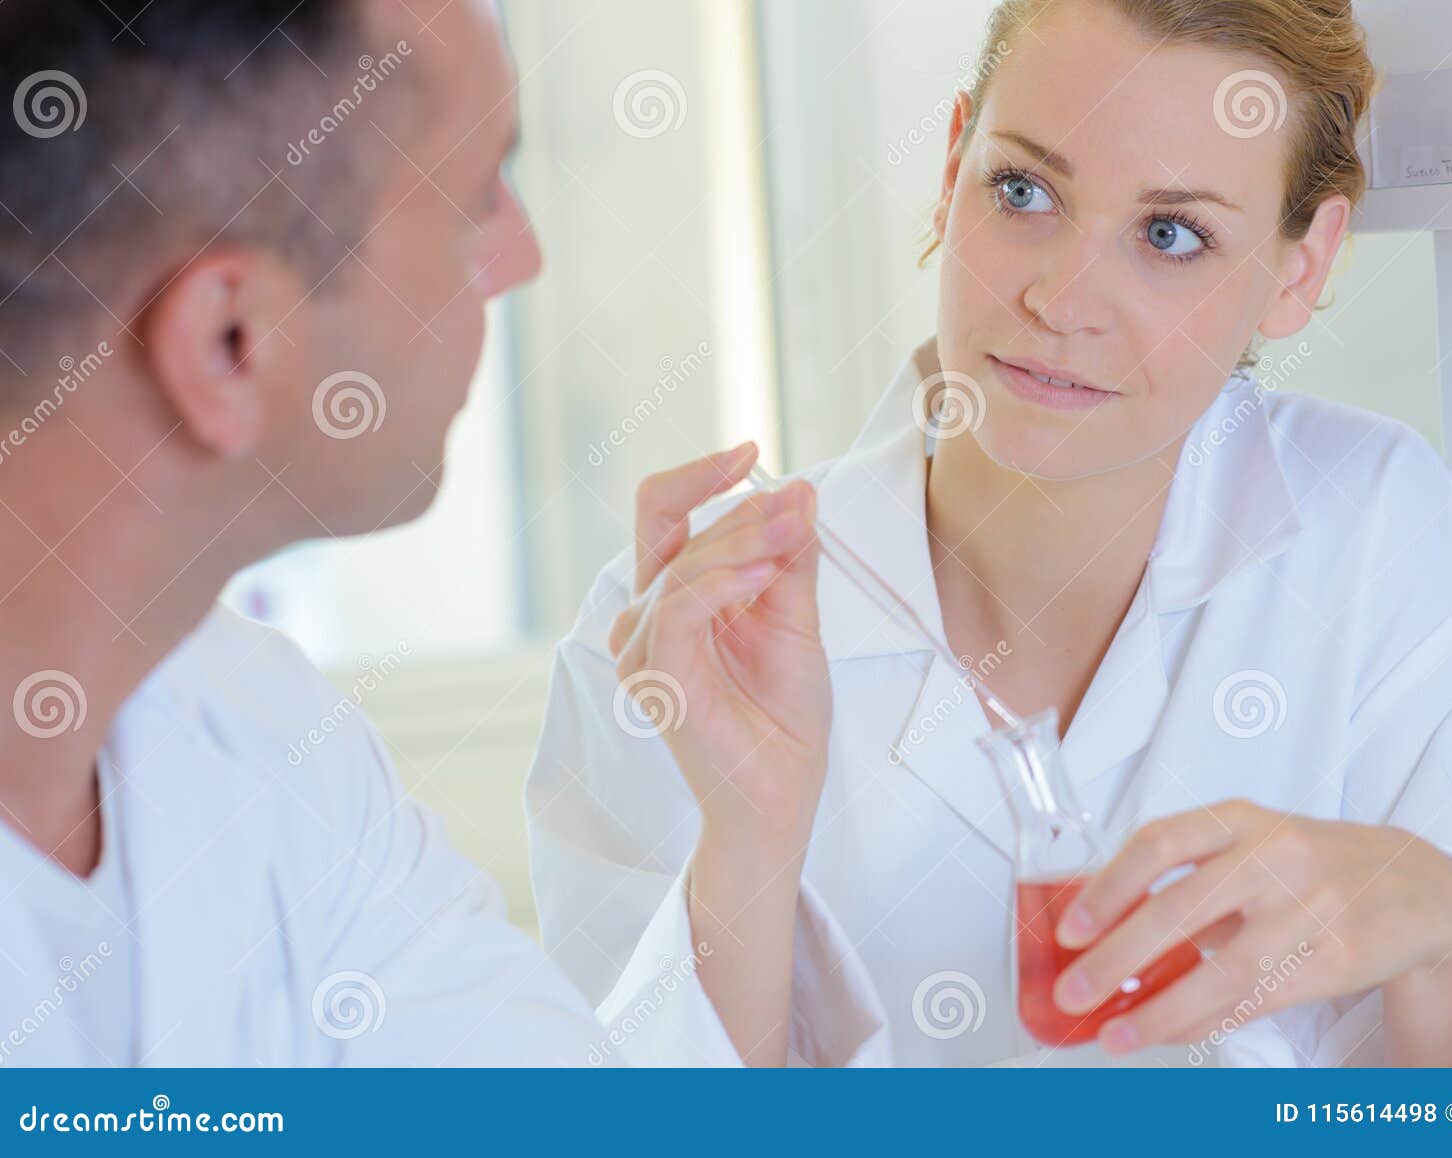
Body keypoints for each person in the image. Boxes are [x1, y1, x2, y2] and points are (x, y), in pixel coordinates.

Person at [528, 0, 1452, 1066]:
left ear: (1298, 267)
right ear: (953, 171)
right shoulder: (684, 627)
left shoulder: (1375, 535)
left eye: (1171, 234)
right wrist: (748, 854)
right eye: (1024, 190)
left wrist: (1442, 931)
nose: (1060, 298)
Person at [0, 0, 881, 1066]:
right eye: (473, 204)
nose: (523, 257)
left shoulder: (268, 745)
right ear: (231, 344)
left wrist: (745, 838)